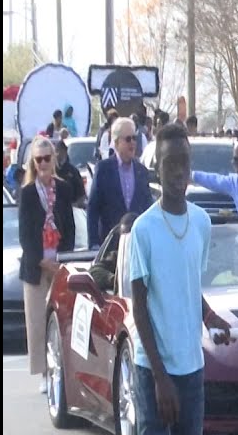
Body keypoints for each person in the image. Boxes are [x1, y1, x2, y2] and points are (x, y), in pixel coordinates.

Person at [128, 122, 233, 435]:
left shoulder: (202, 224)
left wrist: (210, 318)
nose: (179, 174)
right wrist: (161, 378)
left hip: (192, 373)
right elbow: (140, 305)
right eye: (171, 165)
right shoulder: (142, 230)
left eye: (185, 165)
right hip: (156, 374)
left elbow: (189, 286)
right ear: (157, 168)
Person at [17, 136, 76, 394]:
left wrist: (65, 259)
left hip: (59, 262)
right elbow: (25, 234)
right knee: (38, 321)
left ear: (54, 160)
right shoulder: (28, 192)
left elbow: (71, 226)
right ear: (33, 162)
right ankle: (44, 373)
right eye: (38, 159)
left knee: (62, 320)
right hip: (36, 266)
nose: (42, 163)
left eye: (46, 158)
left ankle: (63, 370)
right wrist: (42, 262)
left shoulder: (63, 189)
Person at [87, 117, 154, 247]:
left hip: (136, 245)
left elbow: (147, 209)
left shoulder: (142, 172)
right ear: (116, 143)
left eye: (135, 138)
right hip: (110, 245)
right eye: (128, 139)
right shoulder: (103, 169)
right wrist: (93, 243)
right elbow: (93, 208)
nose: (133, 143)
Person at [53, 139, 88, 208]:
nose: (56, 154)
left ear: (64, 151)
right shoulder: (51, 170)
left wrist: (74, 206)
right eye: (55, 151)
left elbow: (82, 195)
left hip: (71, 211)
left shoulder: (73, 171)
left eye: (58, 151)